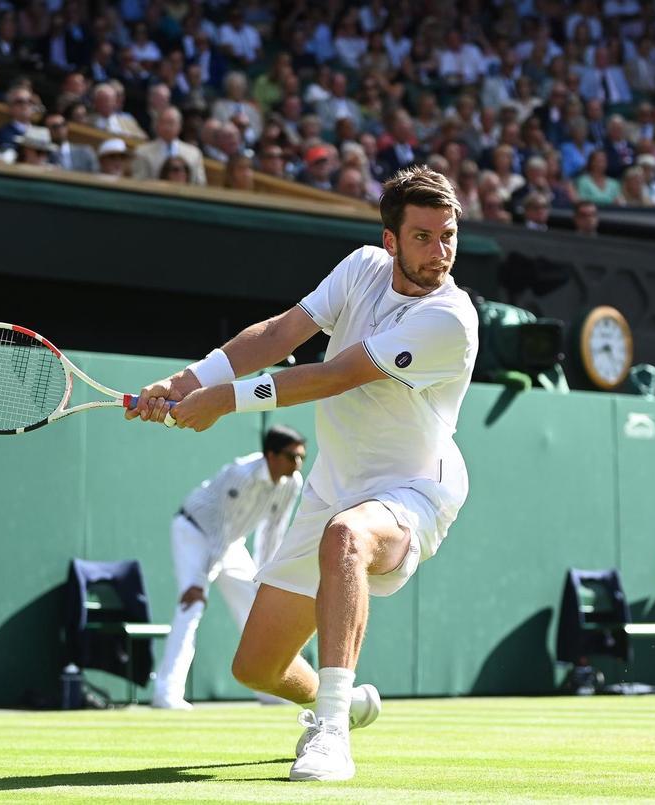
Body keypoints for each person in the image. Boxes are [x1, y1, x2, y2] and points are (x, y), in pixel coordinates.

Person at [127, 166, 477, 782]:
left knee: (347, 536)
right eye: (423, 237)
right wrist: (186, 382)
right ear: (391, 240)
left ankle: (332, 734)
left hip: (414, 488)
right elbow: (282, 334)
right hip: (334, 483)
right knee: (257, 669)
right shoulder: (362, 266)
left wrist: (224, 402)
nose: (440, 252)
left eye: (448, 236)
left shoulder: (449, 319)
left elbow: (334, 374)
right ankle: (344, 701)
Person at [152, 426, 308, 710]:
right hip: (195, 533)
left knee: (257, 609)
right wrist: (199, 580)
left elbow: (273, 532)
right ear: (270, 455)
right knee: (192, 605)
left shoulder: (292, 482)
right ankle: (167, 692)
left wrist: (267, 577)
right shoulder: (242, 475)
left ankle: (270, 687)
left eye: (301, 458)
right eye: (291, 457)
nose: (297, 464)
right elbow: (219, 529)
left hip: (231, 542)